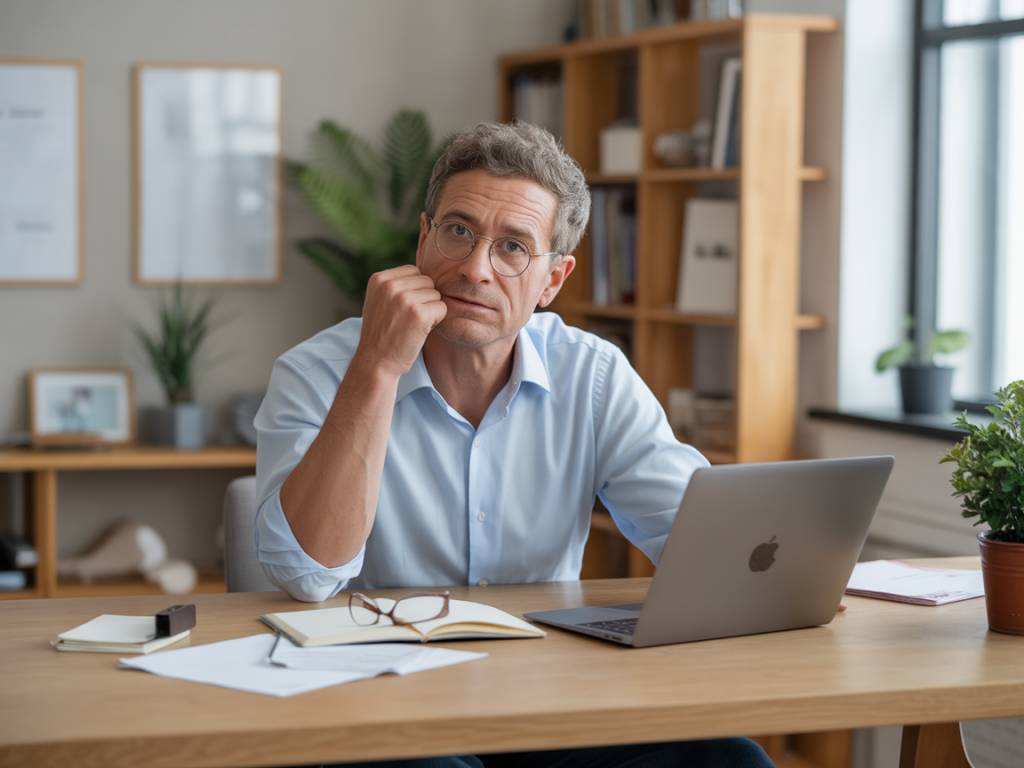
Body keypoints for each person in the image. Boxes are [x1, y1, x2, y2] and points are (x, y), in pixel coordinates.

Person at [255, 122, 775, 768]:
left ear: (553, 279)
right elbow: (308, 575)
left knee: (729, 760)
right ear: (423, 238)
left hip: (548, 700)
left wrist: (778, 575)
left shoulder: (593, 375)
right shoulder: (320, 371)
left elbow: (694, 536)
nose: (475, 269)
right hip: (380, 700)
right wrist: (378, 369)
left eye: (512, 248)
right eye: (458, 231)